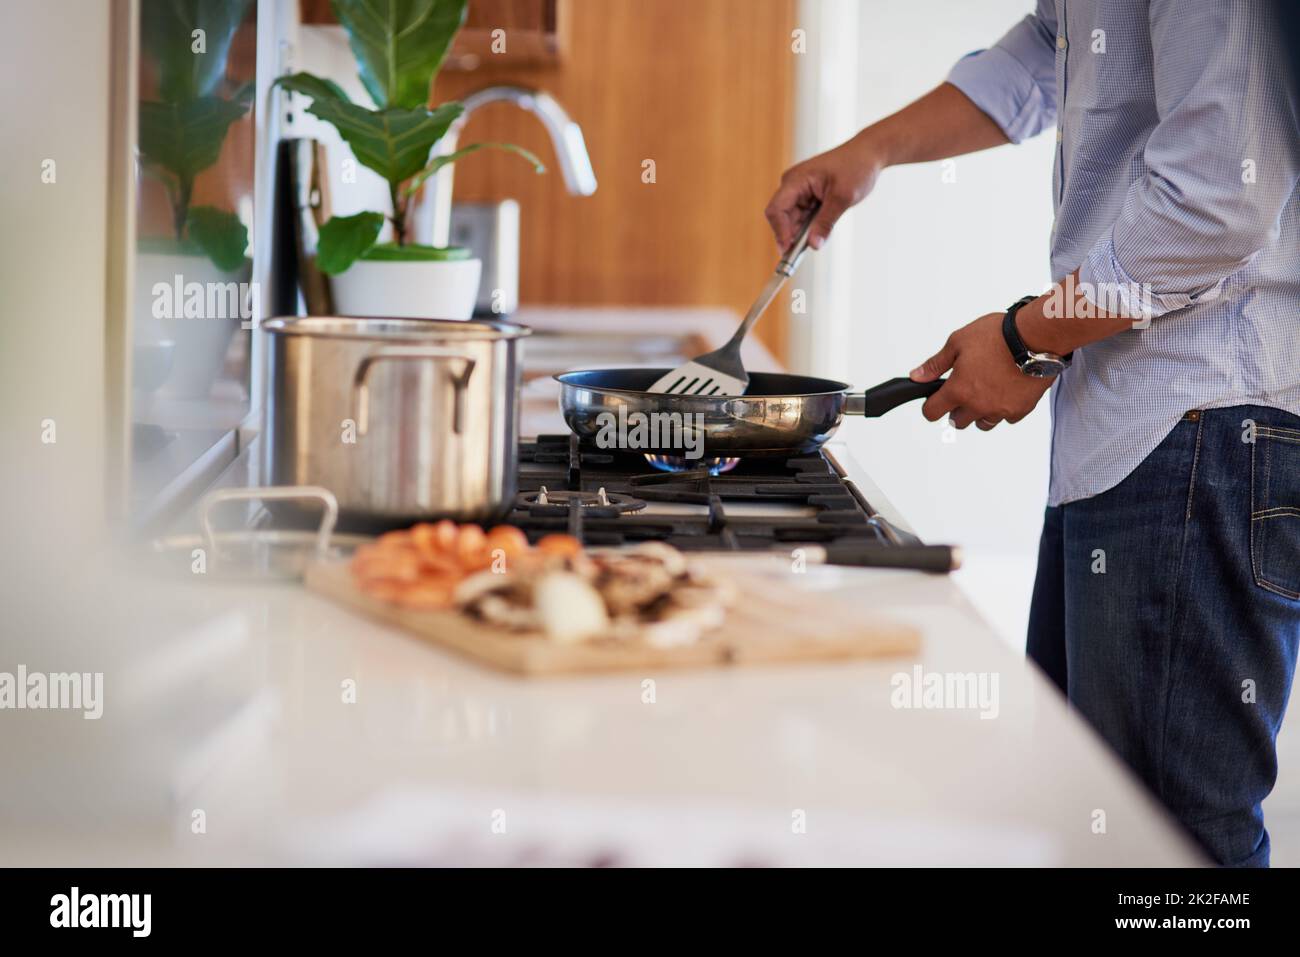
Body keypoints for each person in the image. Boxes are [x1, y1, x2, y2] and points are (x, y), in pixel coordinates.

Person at [766, 1, 1300, 866]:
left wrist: (1026, 337)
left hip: (1206, 422)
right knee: (1098, 824)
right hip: (1139, 429)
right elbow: (1044, 53)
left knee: (1170, 851)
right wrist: (871, 150)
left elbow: (1224, 196)